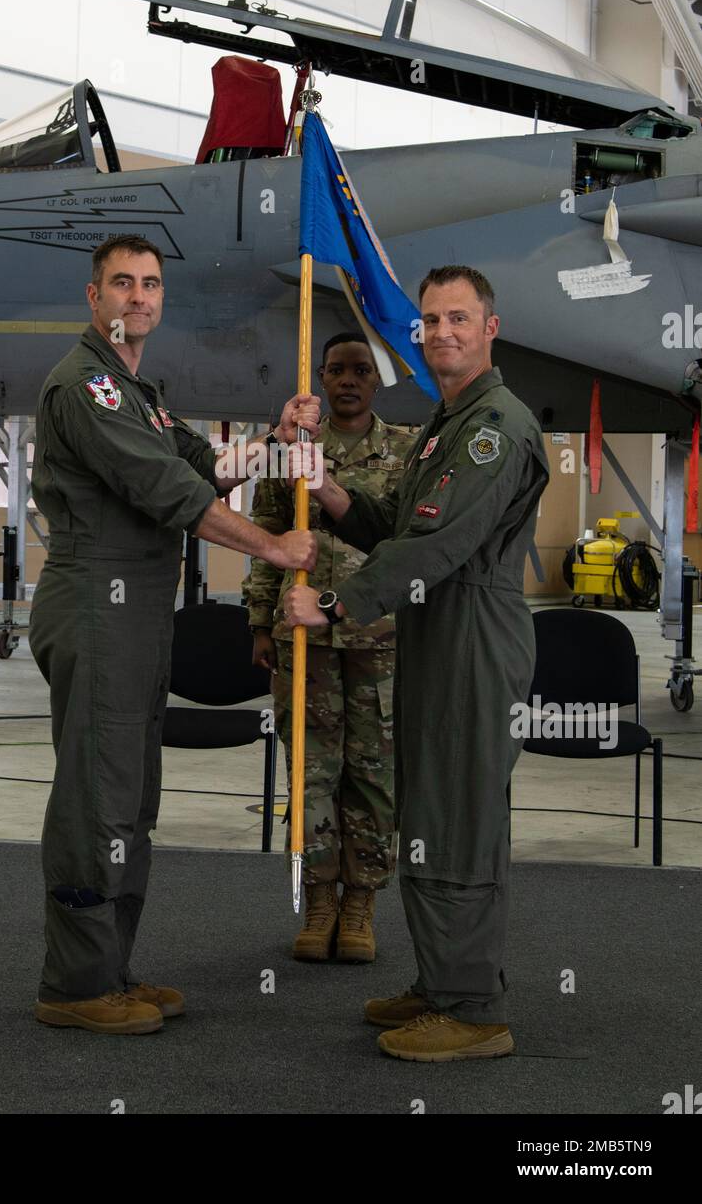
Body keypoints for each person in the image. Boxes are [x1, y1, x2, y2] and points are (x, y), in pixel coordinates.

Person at [29, 233, 318, 1035]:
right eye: (122, 283)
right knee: (97, 798)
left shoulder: (139, 390)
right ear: (95, 298)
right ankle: (75, 983)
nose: (138, 297)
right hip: (95, 605)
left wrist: (275, 437)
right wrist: (272, 548)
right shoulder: (88, 386)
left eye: (151, 284)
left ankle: (110, 968)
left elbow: (204, 465)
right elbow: (170, 492)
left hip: (137, 612)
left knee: (129, 800)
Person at [284, 266, 549, 1062]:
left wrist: (334, 605)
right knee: (429, 812)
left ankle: (472, 1009)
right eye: (430, 321)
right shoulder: (448, 423)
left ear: (490, 328)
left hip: (473, 638)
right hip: (437, 633)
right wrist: (326, 487)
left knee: (460, 822)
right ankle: (441, 983)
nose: (441, 333)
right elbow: (399, 526)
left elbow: (437, 544)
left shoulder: (494, 426)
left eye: (458, 319)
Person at [243, 333, 415, 962]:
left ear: (376, 381)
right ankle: (317, 901)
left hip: (379, 641)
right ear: (319, 377)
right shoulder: (291, 453)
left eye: (361, 370)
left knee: (372, 775)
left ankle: (361, 904)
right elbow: (265, 539)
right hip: (302, 642)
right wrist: (260, 623)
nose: (348, 380)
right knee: (311, 773)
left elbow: (405, 540)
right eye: (336, 370)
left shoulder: (404, 449)